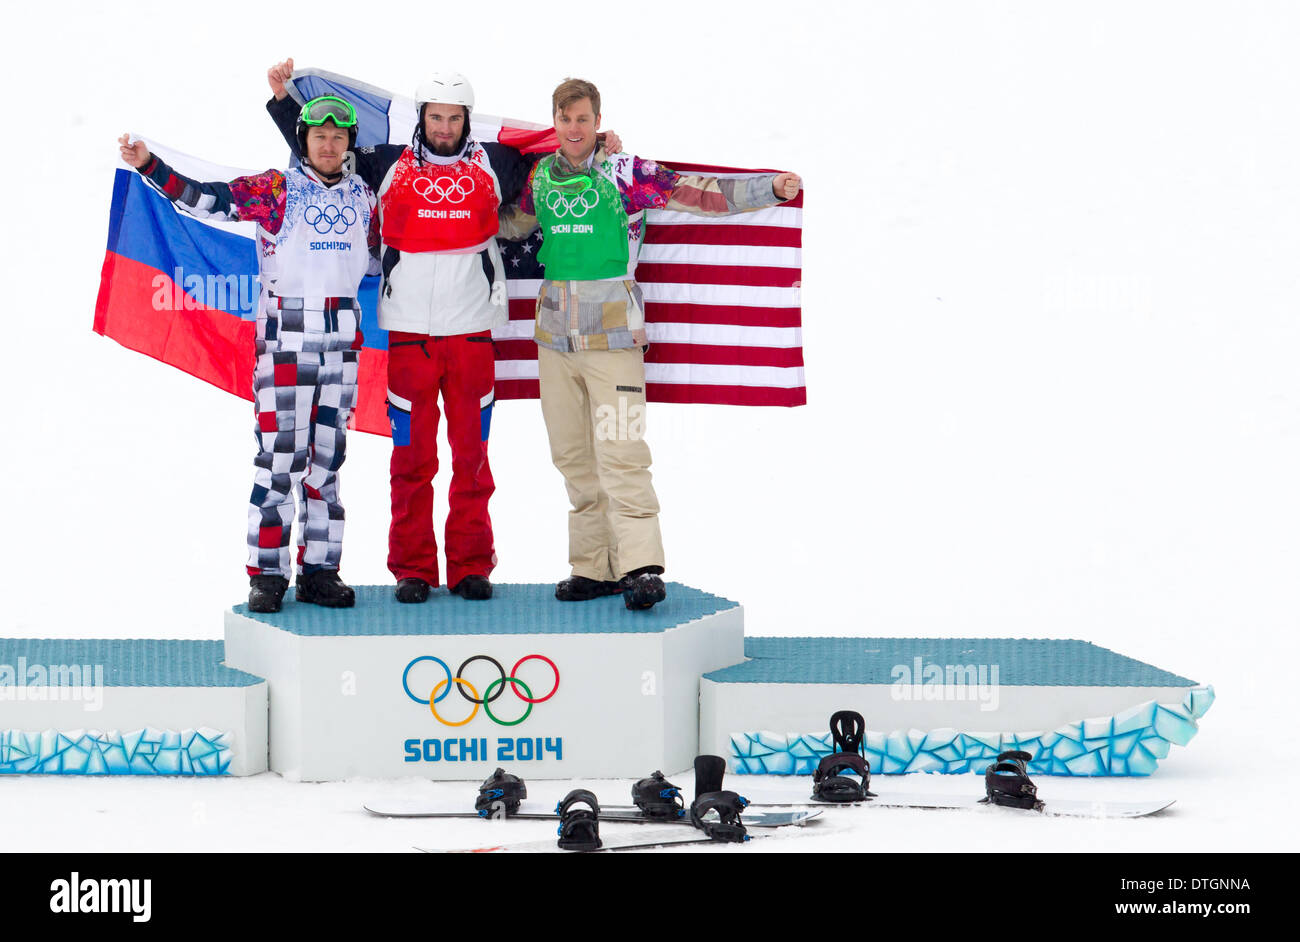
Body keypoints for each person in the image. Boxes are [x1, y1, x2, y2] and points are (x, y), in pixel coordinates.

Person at [264, 61, 621, 604]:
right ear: (422, 117)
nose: (445, 128)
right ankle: (412, 568)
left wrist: (599, 147)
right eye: (436, 117)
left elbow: (564, 160)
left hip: (473, 334)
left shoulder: (497, 163)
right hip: (408, 336)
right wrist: (284, 101)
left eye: (455, 118)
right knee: (411, 459)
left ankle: (471, 566)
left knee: (471, 457)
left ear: (466, 120)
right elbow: (324, 148)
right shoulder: (386, 163)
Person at [499, 78, 802, 610]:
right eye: (565, 119)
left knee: (622, 452)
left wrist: (768, 188)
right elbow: (511, 224)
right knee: (572, 457)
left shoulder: (625, 172)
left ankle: (639, 566)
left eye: (583, 119)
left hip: (614, 340)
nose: (574, 128)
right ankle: (593, 568)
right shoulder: (541, 177)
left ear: (598, 122)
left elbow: (699, 192)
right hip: (554, 343)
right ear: (555, 122)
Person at [119, 95, 380, 613]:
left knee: (327, 463)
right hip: (287, 336)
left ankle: (321, 571)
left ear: (349, 143)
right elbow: (206, 199)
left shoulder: (366, 196)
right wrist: (152, 166)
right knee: (280, 459)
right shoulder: (278, 188)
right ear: (303, 140)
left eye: (338, 137)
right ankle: (267, 574)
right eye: (318, 136)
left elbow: (379, 258)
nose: (328, 145)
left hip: (343, 341)